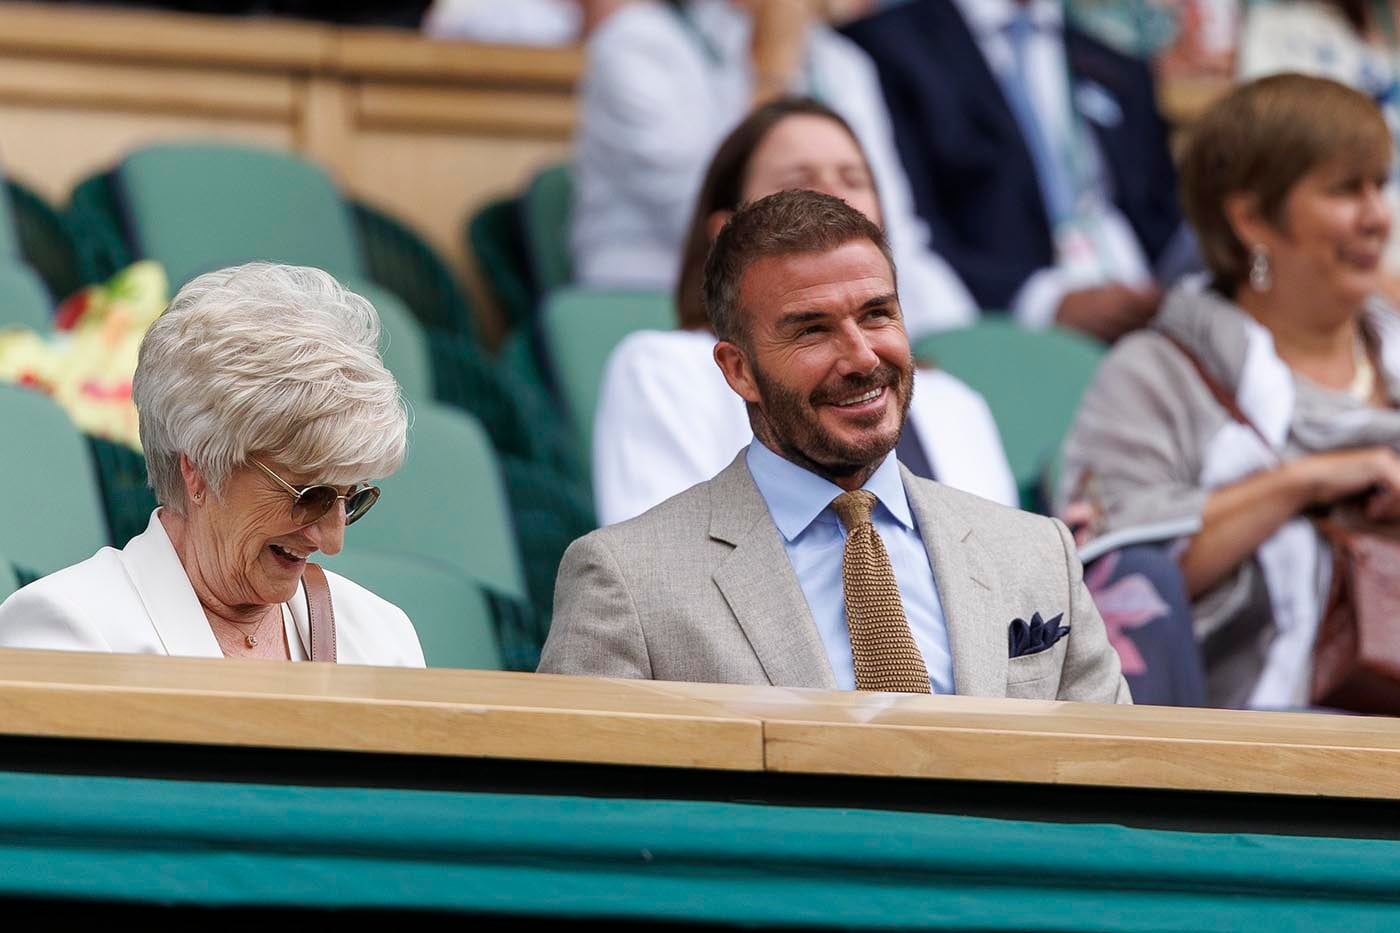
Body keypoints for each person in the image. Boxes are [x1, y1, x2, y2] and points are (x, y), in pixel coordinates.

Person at [542, 189, 1128, 702]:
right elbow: (580, 814)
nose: (863, 358)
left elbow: (1116, 781)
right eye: (812, 330)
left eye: (877, 315)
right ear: (738, 370)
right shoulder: (626, 580)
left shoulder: (1038, 556)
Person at [1058, 73, 1400, 710]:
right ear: (1250, 218)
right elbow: (1109, 584)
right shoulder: (1158, 374)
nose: (1377, 216)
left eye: (1379, 185)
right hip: (1229, 761)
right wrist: (1308, 482)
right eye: (1344, 190)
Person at [593, 96, 1017, 525]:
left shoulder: (956, 403)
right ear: (725, 235)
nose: (834, 199)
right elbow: (660, 573)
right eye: (799, 181)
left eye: (853, 179)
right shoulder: (665, 370)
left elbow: (1001, 579)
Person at [0, 263, 425, 666]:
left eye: (351, 499)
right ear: (199, 469)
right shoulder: (68, 632)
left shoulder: (380, 640)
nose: (332, 541)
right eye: (309, 496)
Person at [569, 0, 979, 338]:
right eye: (804, 177)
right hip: (664, 318)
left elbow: (893, 227)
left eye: (847, 176)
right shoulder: (636, 45)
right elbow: (729, 222)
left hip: (824, 312)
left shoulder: (840, 64)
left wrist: (956, 334)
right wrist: (774, 65)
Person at [841, 0, 1189, 342]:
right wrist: (1043, 302)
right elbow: (906, 231)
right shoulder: (884, 49)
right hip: (994, 329)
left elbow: (1161, 214)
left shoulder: (1114, 61)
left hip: (1147, 318)